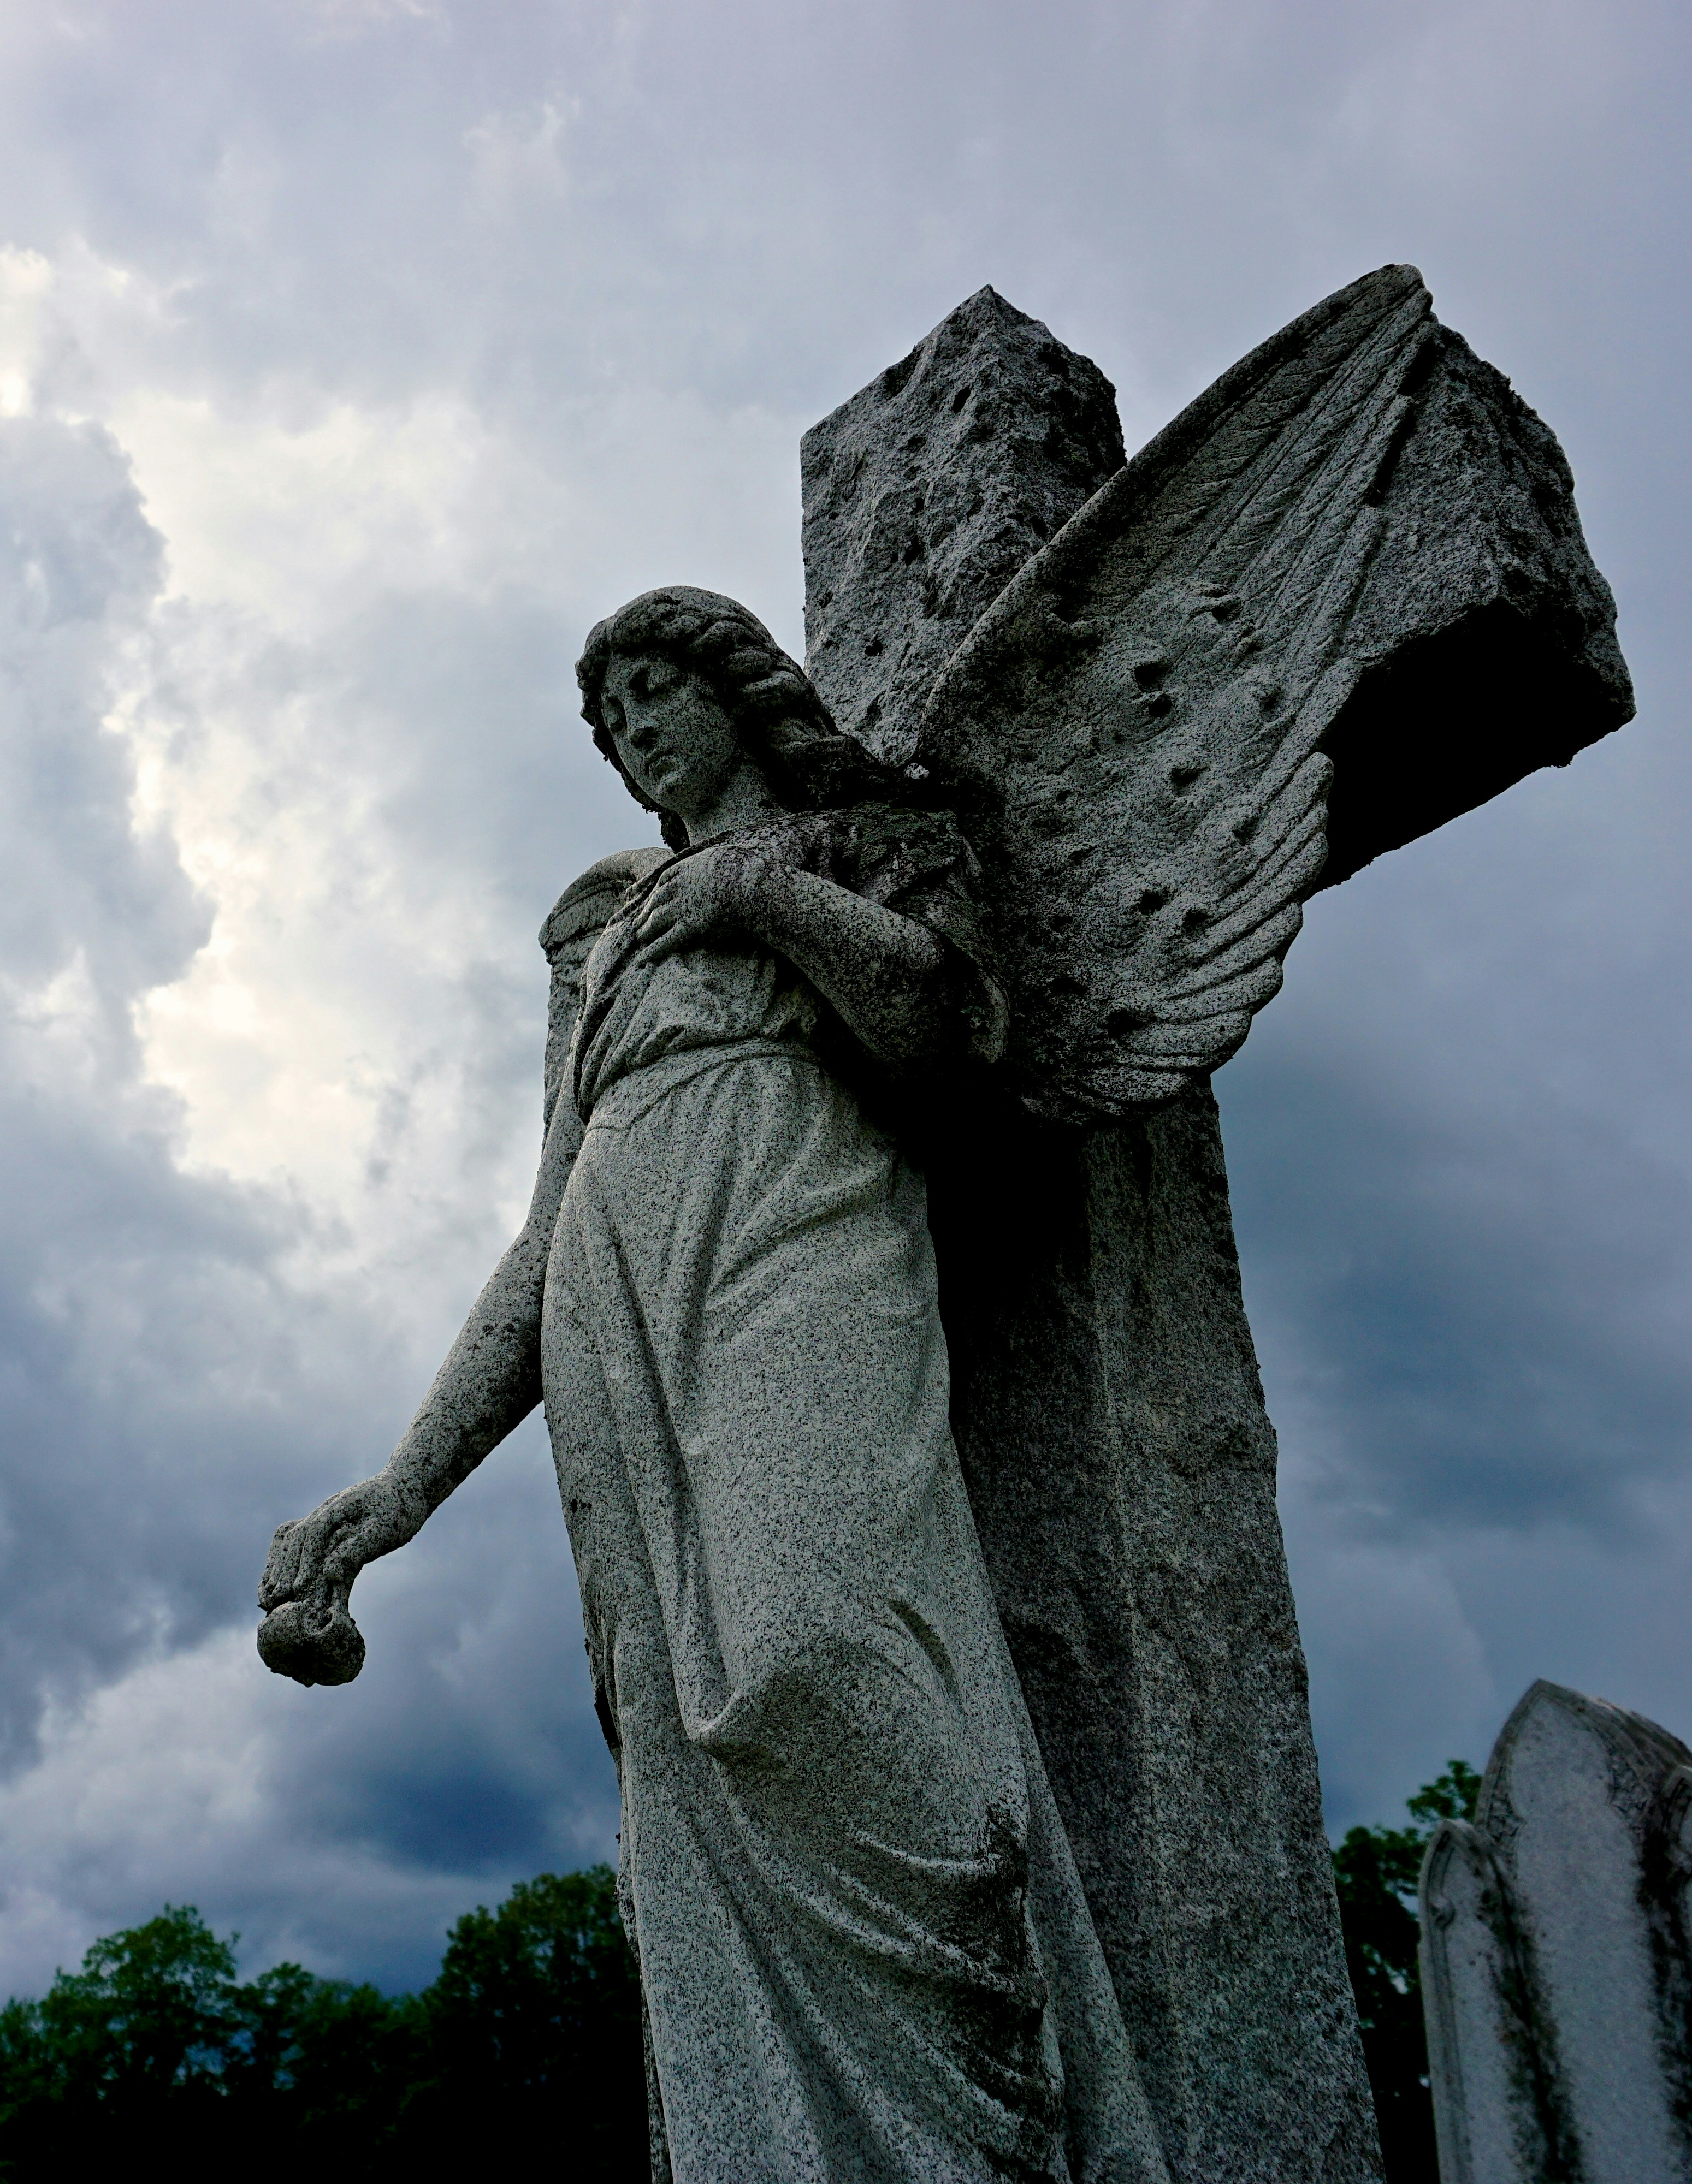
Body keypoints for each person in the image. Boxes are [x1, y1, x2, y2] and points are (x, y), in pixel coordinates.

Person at [259, 588, 1164, 2181]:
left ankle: (990, 2127)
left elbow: (955, 1030)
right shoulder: (602, 931)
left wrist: (763, 892)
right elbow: (547, 1225)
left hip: (797, 1231)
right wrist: (398, 1492)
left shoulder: (870, 842)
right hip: (618, 1306)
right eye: (607, 721)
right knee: (679, 1738)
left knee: (810, 1647)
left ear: (743, 690)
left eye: (654, 691)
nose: (631, 736)